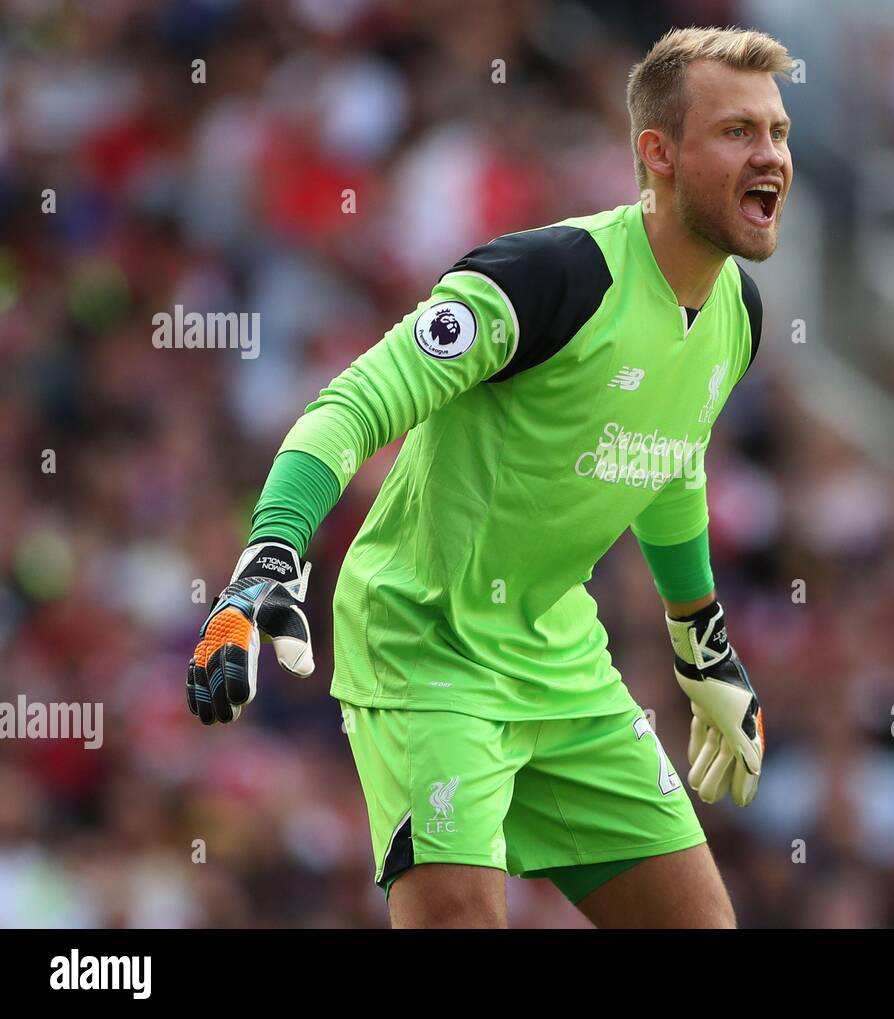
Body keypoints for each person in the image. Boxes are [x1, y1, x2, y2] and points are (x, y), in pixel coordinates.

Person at [186, 24, 794, 929]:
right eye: (738, 132)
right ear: (659, 154)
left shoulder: (738, 311)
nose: (771, 155)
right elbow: (351, 406)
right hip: (425, 645)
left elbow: (672, 457)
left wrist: (699, 635)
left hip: (559, 656)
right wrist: (267, 559)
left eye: (778, 132)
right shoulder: (547, 278)